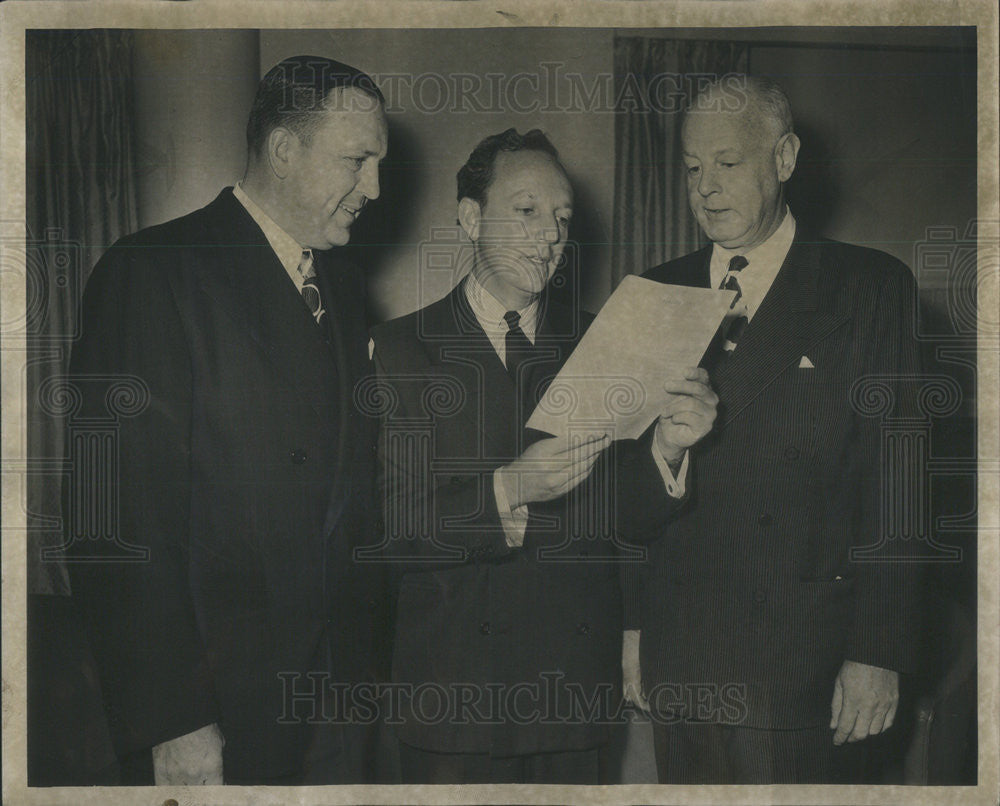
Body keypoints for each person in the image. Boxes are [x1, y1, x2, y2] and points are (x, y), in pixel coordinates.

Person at [65, 55, 391, 785]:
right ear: (283, 151)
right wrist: (172, 720)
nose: (374, 188)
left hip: (337, 700)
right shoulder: (152, 271)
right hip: (221, 708)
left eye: (379, 163)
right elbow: (114, 522)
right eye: (357, 161)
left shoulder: (339, 282)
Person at [370, 128, 718, 784]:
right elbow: (391, 534)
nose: (550, 236)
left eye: (561, 219)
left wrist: (670, 448)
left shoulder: (604, 339)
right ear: (471, 219)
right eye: (526, 212)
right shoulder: (398, 351)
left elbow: (629, 519)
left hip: (572, 700)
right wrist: (508, 490)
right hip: (453, 704)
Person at [630, 75, 923, 783]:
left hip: (801, 658)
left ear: (785, 157)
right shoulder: (654, 291)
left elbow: (899, 479)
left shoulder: (869, 287)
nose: (706, 187)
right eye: (694, 169)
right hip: (682, 652)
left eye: (728, 164)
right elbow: (625, 482)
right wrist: (631, 629)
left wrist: (878, 650)